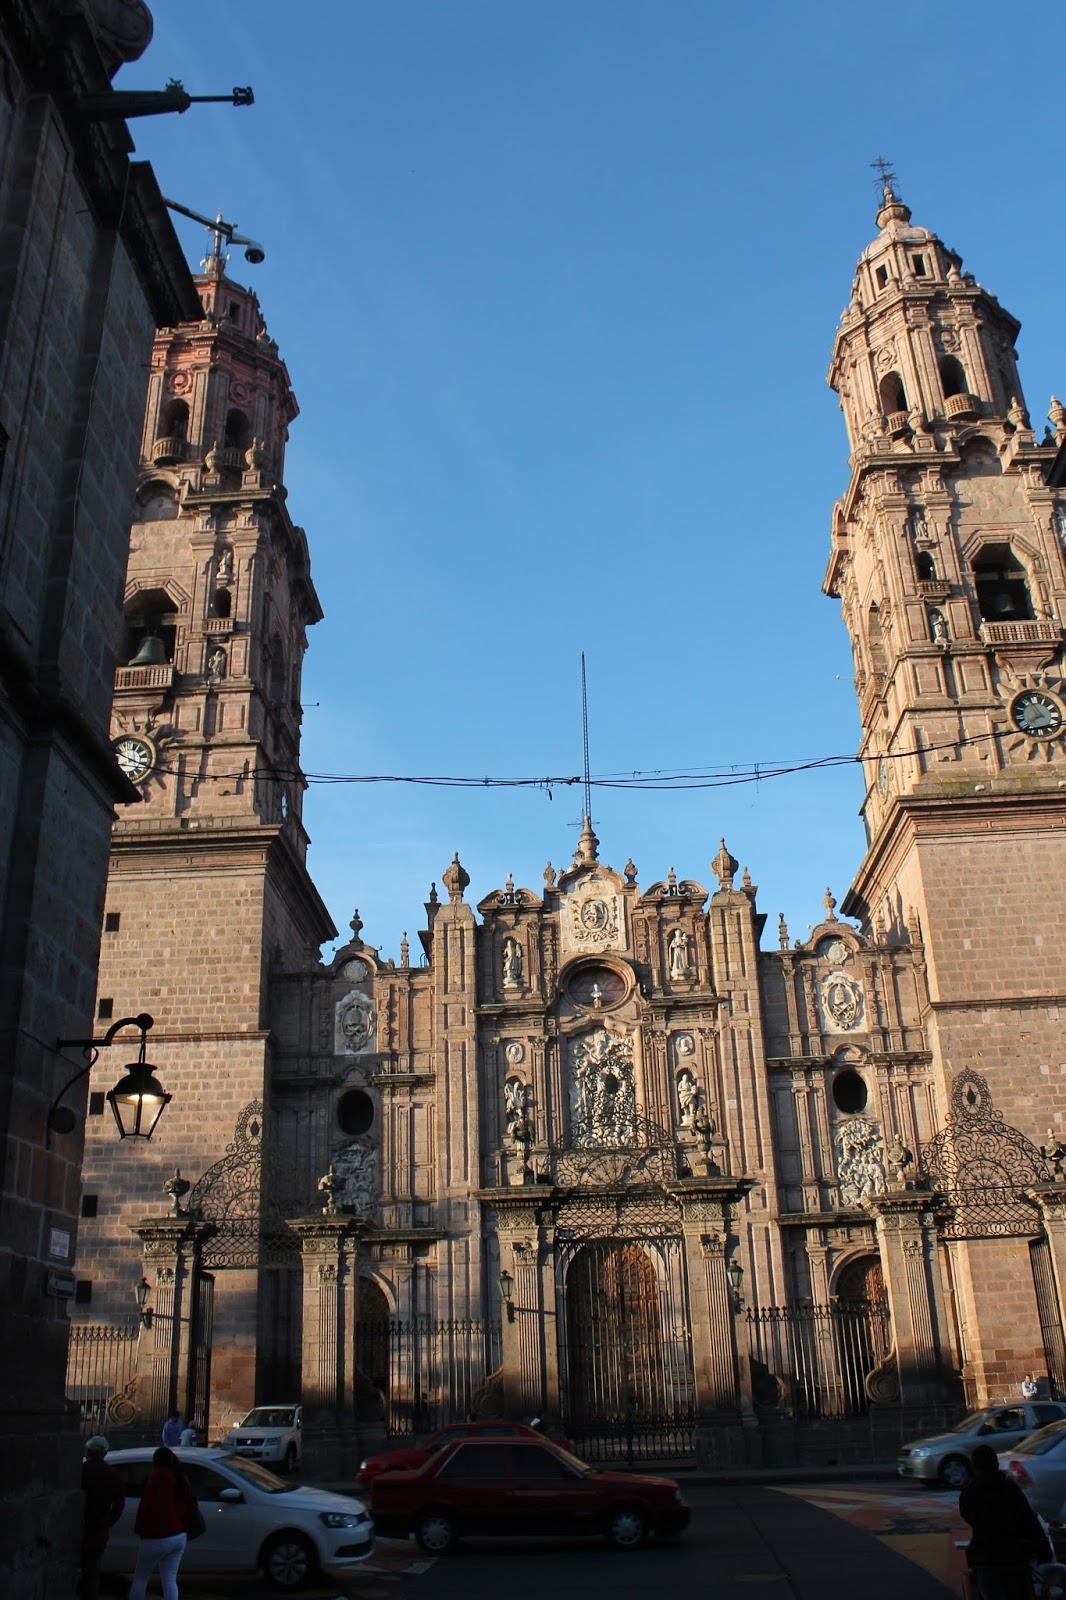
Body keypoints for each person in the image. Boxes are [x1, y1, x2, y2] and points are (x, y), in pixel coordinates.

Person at [959, 1442, 1052, 1600]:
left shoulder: (970, 1493)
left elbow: (969, 1516)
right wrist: (1043, 1551)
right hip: (1013, 1558)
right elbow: (1029, 1521)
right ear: (995, 1464)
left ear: (974, 1467)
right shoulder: (1010, 1490)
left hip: (985, 1560)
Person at [129, 1446, 192, 1600]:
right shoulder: (179, 1478)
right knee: (170, 1579)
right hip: (178, 1535)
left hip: (157, 1535)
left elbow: (147, 1507)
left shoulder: (156, 1478)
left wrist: (141, 1530)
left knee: (141, 1578)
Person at [80, 1435, 124, 1600]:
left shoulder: (81, 1470)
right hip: (99, 1528)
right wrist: (109, 1522)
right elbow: (119, 1505)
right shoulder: (113, 1474)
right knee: (92, 1571)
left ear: (89, 1451)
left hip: (77, 1526)